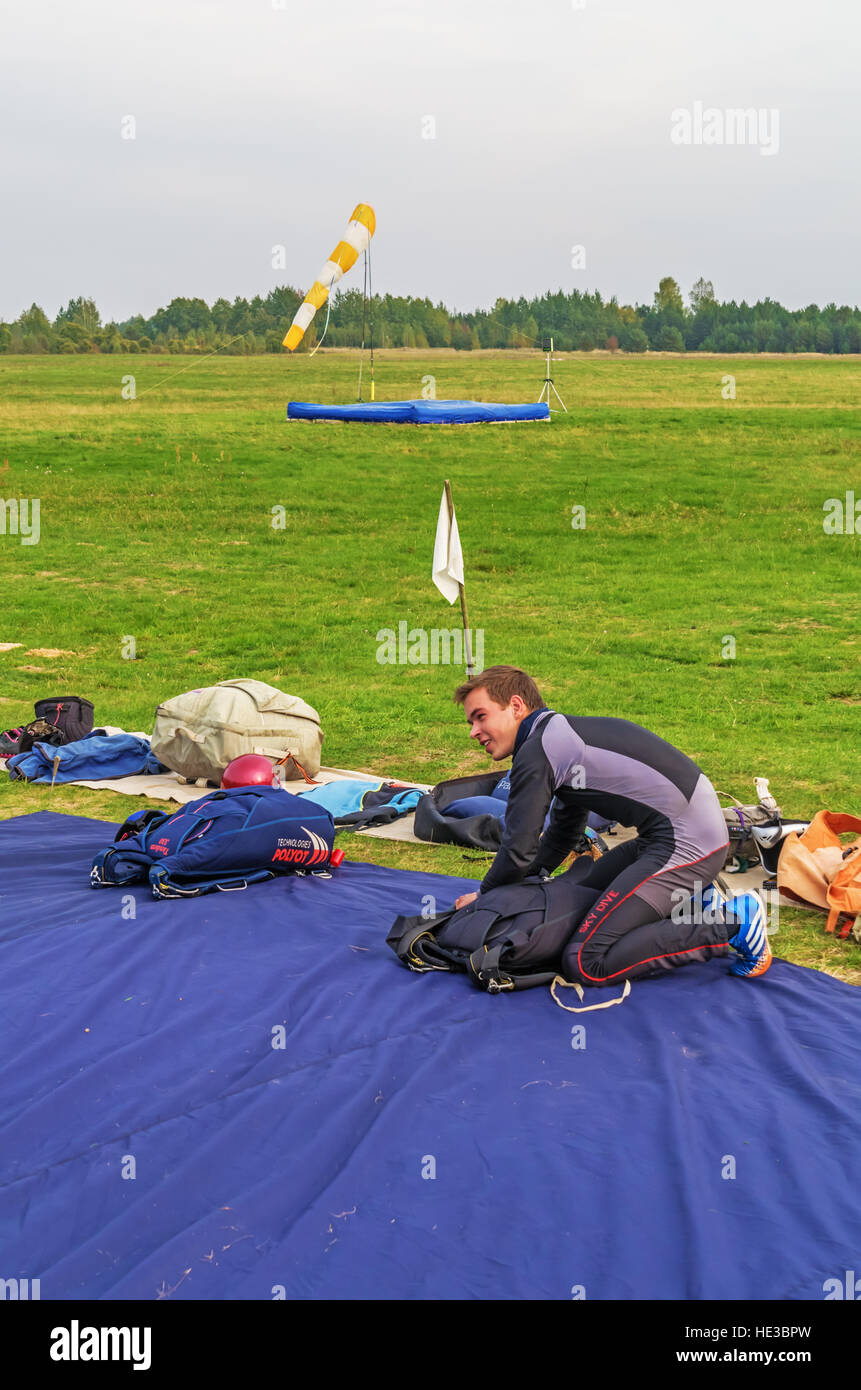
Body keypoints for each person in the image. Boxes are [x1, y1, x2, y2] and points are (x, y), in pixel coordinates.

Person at [451, 666, 771, 986]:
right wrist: (531, 880)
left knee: (586, 960)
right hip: (672, 837)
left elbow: (518, 846)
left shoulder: (539, 750)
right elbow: (564, 832)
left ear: (516, 706)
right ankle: (689, 901)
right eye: (470, 722)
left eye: (481, 716)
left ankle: (733, 923)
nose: (473, 731)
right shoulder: (556, 736)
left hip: (687, 845)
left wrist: (485, 897)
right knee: (577, 898)